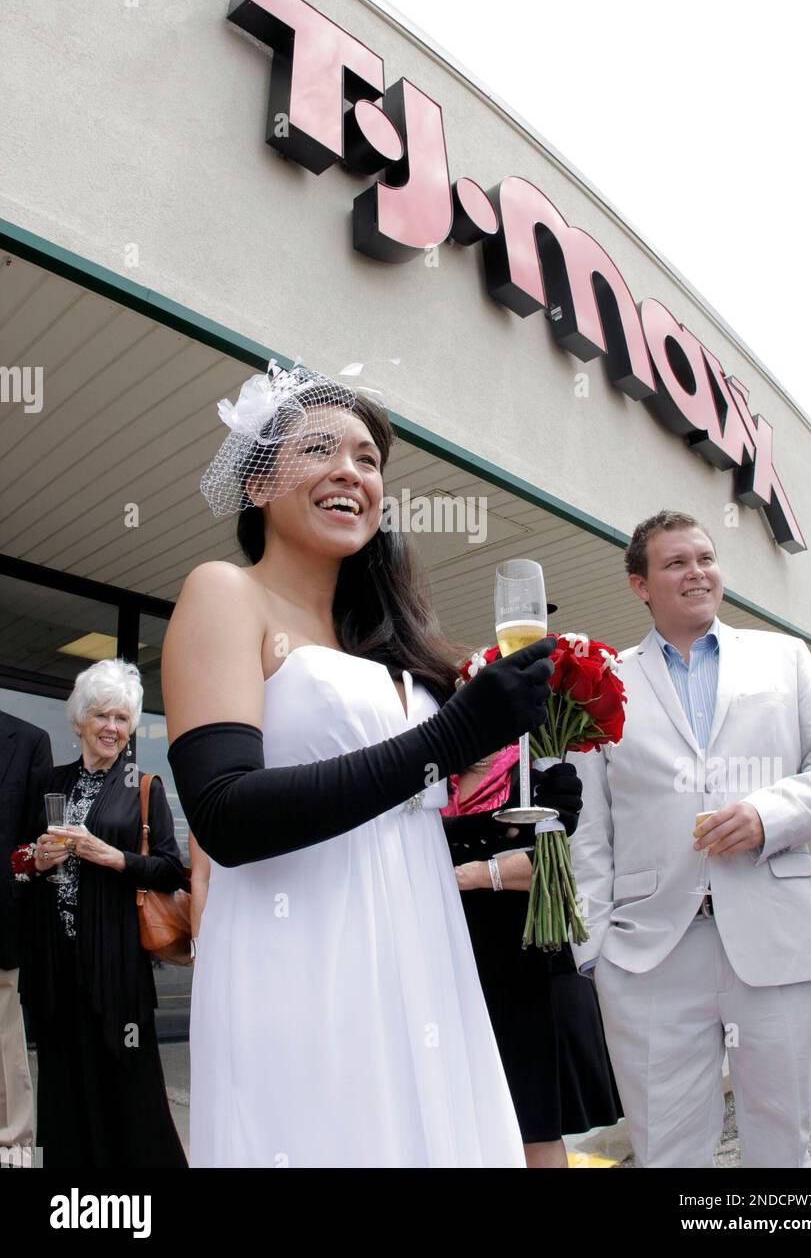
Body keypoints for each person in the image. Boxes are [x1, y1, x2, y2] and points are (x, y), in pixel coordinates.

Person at [162, 360, 556, 1168]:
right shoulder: (224, 594)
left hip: (419, 953)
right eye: (319, 450)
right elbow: (227, 815)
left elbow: (408, 801)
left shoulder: (386, 647)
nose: (351, 470)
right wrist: (443, 743)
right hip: (305, 964)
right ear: (257, 482)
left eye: (369, 460)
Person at [570, 509, 811, 1168]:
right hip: (649, 960)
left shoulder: (783, 657)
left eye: (705, 558)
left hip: (775, 941)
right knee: (668, 1151)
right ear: (640, 585)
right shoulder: (604, 683)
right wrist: (596, 953)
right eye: (676, 563)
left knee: (781, 1141)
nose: (697, 572)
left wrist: (768, 815)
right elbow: (591, 828)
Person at [16, 659, 187, 1168]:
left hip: (115, 961)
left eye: (121, 718)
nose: (111, 727)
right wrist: (38, 860)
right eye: (101, 717)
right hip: (57, 959)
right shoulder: (52, 781)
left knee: (125, 1076)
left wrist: (112, 857)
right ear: (80, 722)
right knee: (64, 1076)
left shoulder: (144, 785)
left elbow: (170, 871)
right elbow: (21, 859)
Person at [442, 748, 622, 1167]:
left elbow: (563, 866)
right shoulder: (432, 773)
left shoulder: (538, 768)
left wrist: (468, 873)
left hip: (526, 966)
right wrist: (494, 862)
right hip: (451, 961)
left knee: (533, 1123)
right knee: (464, 1121)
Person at [0, 710, 52, 1155]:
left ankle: (11, 1146)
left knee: (3, 1040)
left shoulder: (29, 739)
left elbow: (36, 839)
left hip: (0, 915)